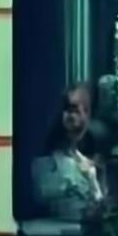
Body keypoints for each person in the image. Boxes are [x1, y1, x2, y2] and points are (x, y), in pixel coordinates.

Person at [31, 83, 105, 221]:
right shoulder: (46, 165)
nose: (71, 118)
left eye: (83, 110)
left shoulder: (104, 162)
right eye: (69, 110)